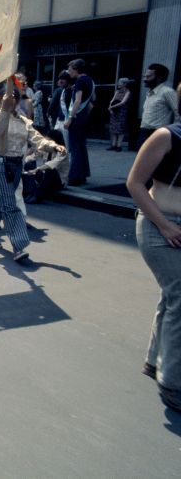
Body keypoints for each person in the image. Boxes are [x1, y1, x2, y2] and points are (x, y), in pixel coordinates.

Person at [126, 119, 181, 413]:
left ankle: (153, 360)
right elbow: (134, 183)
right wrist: (166, 226)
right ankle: (172, 382)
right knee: (180, 298)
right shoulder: (166, 136)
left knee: (172, 295)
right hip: (159, 227)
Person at [0, 79, 66, 262]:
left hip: (16, 165)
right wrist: (4, 109)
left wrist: (53, 146)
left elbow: (37, 139)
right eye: (9, 98)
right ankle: (18, 246)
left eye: (15, 98)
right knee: (10, 204)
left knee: (0, 202)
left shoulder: (25, 121)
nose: (13, 101)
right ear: (2, 100)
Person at [64, 59, 95, 186]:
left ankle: (75, 177)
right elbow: (93, 100)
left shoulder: (80, 81)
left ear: (76, 68)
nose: (68, 71)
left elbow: (77, 101)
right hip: (84, 118)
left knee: (75, 148)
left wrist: (70, 118)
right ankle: (82, 175)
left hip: (76, 118)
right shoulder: (90, 81)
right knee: (81, 147)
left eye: (70, 68)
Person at [138, 63, 179, 148]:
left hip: (157, 133)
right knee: (144, 160)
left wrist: (175, 132)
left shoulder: (167, 92)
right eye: (145, 76)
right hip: (144, 132)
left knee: (155, 160)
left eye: (148, 77)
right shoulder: (149, 93)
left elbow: (177, 111)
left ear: (159, 78)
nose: (145, 79)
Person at [22, 130, 69, 203]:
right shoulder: (47, 148)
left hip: (58, 182)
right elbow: (34, 156)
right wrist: (24, 161)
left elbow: (52, 165)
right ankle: (30, 192)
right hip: (45, 177)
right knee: (29, 164)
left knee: (50, 170)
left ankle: (37, 195)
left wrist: (37, 169)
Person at [108, 78, 131, 151]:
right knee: (114, 128)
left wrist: (112, 107)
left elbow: (123, 102)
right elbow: (112, 100)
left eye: (120, 83)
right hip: (114, 111)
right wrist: (110, 108)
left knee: (120, 129)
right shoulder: (117, 91)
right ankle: (114, 145)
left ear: (125, 84)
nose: (118, 84)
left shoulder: (127, 92)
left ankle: (119, 146)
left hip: (121, 111)